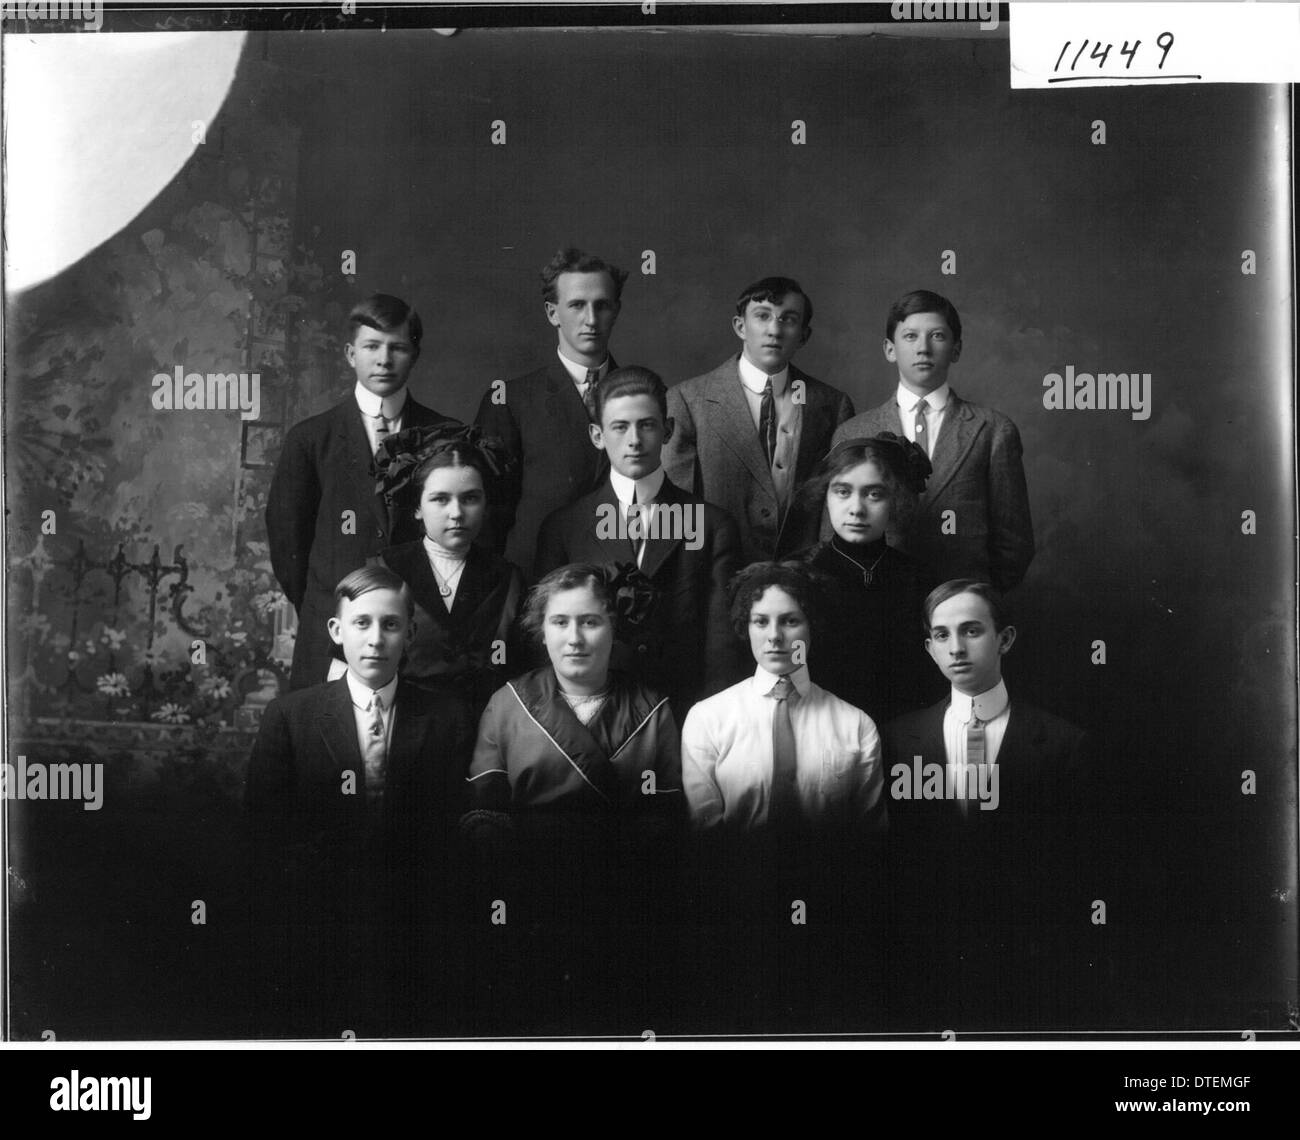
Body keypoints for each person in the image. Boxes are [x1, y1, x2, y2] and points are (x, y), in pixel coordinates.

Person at [244, 566, 475, 1036]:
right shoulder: (292, 715)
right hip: (317, 918)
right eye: (362, 623)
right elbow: (263, 831)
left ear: (409, 633)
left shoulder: (447, 717)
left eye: (390, 625)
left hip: (413, 922)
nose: (376, 639)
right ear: (336, 631)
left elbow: (451, 830)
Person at [880, 579, 1093, 1026]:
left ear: (1005, 638)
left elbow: (1077, 871)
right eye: (942, 635)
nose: (956, 647)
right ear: (930, 648)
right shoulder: (898, 739)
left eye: (972, 630)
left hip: (1027, 967)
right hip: (926, 966)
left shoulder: (1061, 743)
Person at [267, 293, 458, 690]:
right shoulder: (311, 439)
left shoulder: (445, 436)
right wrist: (327, 604)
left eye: (397, 348)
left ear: (415, 354)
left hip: (420, 635)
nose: (384, 360)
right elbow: (289, 543)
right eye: (372, 346)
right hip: (331, 633)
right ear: (351, 353)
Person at [535, 366, 743, 721]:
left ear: (668, 431)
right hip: (589, 717)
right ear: (597, 435)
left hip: (684, 715)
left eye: (647, 425)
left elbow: (722, 650)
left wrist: (706, 728)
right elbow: (545, 644)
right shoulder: (564, 527)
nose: (634, 440)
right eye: (620, 427)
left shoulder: (712, 525)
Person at [830, 289, 1034, 591]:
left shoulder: (993, 430)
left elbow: (1013, 542)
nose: (923, 348)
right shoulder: (852, 432)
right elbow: (831, 536)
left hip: (960, 607)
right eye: (910, 336)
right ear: (889, 349)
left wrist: (976, 599)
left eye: (937, 336)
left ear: (956, 349)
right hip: (879, 602)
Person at [680, 561, 886, 836]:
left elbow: (870, 835)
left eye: (790, 621)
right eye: (761, 621)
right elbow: (704, 834)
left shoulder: (856, 725)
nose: (774, 637)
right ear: (747, 627)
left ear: (811, 625)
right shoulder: (707, 718)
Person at [663, 276, 854, 565]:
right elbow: (677, 507)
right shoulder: (688, 400)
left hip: (803, 575)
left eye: (788, 320)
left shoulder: (831, 404)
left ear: (803, 335)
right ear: (740, 326)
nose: (774, 330)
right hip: (718, 571)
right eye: (762, 317)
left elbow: (837, 502)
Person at [473, 248, 628, 571]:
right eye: (576, 305)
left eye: (602, 305)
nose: (590, 319)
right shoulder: (509, 401)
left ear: (616, 311)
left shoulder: (647, 398)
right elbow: (488, 518)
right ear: (552, 313)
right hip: (535, 582)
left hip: (622, 585)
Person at [367, 423, 524, 722]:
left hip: (484, 736)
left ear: (485, 504)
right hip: (401, 732)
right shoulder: (384, 569)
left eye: (470, 498)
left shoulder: (507, 577)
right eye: (440, 499)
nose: (456, 513)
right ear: (416, 507)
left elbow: (520, 674)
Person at [794, 433, 939, 724]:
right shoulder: (798, 573)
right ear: (826, 495)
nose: (857, 509)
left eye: (874, 494)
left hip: (904, 730)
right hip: (818, 728)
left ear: (895, 499)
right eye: (843, 492)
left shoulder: (920, 578)